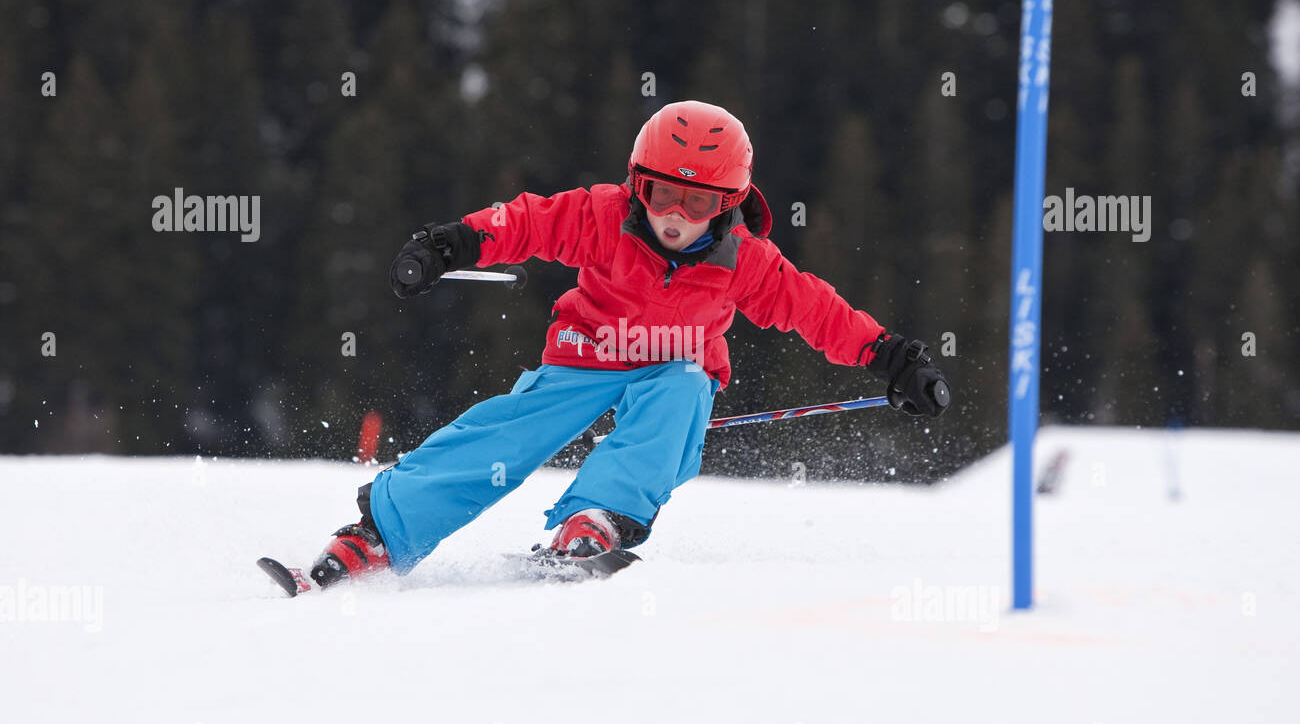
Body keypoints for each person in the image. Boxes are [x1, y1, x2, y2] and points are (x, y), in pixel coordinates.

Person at [308, 100, 950, 588]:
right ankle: (382, 531)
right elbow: (527, 221)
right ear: (637, 183)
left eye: (697, 200)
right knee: (508, 432)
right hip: (586, 354)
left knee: (681, 390)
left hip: (675, 368)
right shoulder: (604, 216)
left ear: (729, 204)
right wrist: (451, 243)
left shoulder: (745, 260)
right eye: (663, 192)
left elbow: (816, 309)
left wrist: (892, 358)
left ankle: (599, 518)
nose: (675, 214)